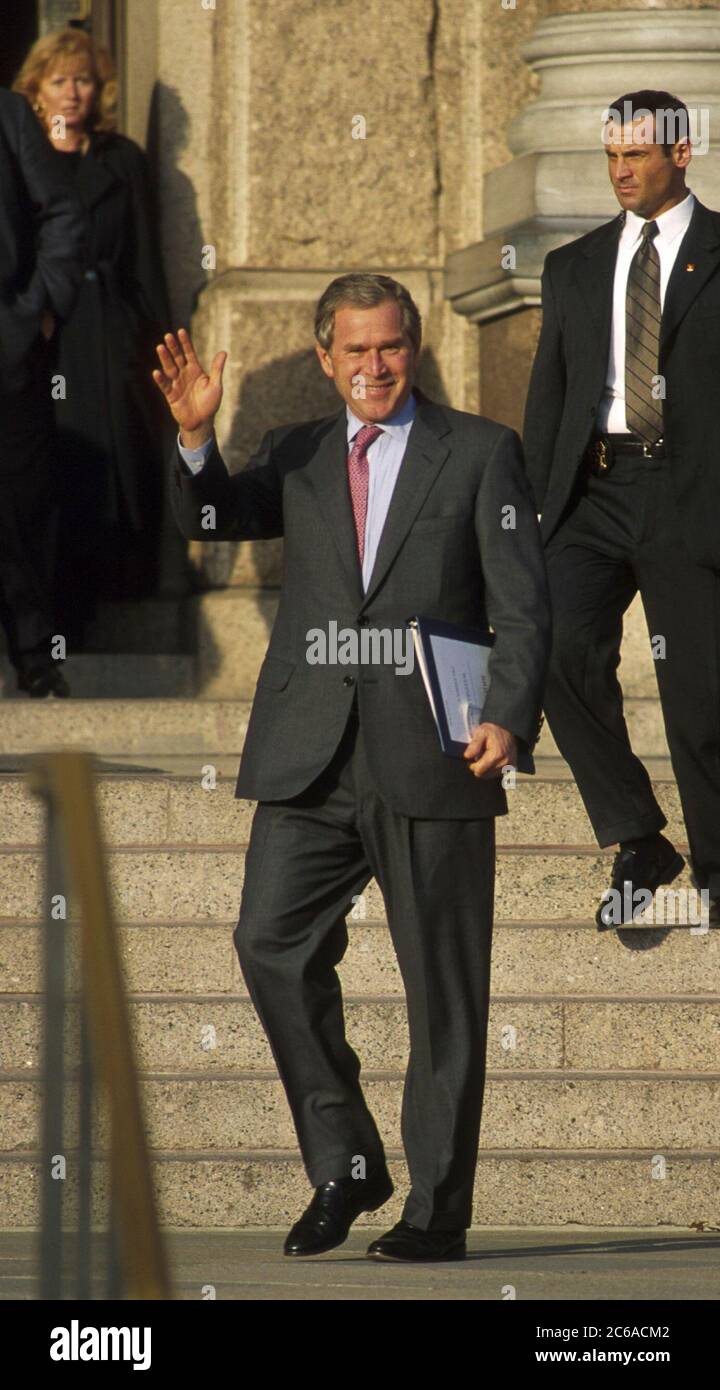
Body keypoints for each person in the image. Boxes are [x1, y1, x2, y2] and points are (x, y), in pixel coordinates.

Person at [153, 273, 550, 1261]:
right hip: (310, 753)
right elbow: (210, 524)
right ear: (325, 358)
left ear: (414, 348)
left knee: (443, 991)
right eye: (356, 350)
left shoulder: (481, 452)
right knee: (269, 942)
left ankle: (436, 1213)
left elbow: (524, 600)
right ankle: (348, 1159)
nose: (376, 366)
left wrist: (508, 714)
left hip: (436, 750)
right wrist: (196, 441)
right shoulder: (296, 452)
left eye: (392, 347)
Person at [523, 89, 720, 929]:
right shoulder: (572, 265)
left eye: (635, 154)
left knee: (700, 696)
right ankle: (639, 834)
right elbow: (550, 398)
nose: (620, 171)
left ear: (681, 152)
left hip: (692, 493)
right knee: (555, 647)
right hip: (594, 491)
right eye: (610, 156)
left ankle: (716, 871)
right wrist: (529, 516)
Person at [14, 28, 171, 641]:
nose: (72, 92)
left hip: (108, 333)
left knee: (119, 461)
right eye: (59, 80)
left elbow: (146, 259)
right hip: (44, 332)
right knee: (50, 463)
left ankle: (114, 590)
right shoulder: (19, 155)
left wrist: (154, 337)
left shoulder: (121, 159)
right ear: (35, 90)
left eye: (83, 80)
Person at [0, 86, 85, 697]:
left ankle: (34, 655)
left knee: (21, 501)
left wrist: (42, 307)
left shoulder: (8, 113)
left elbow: (60, 211)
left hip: (9, 339)